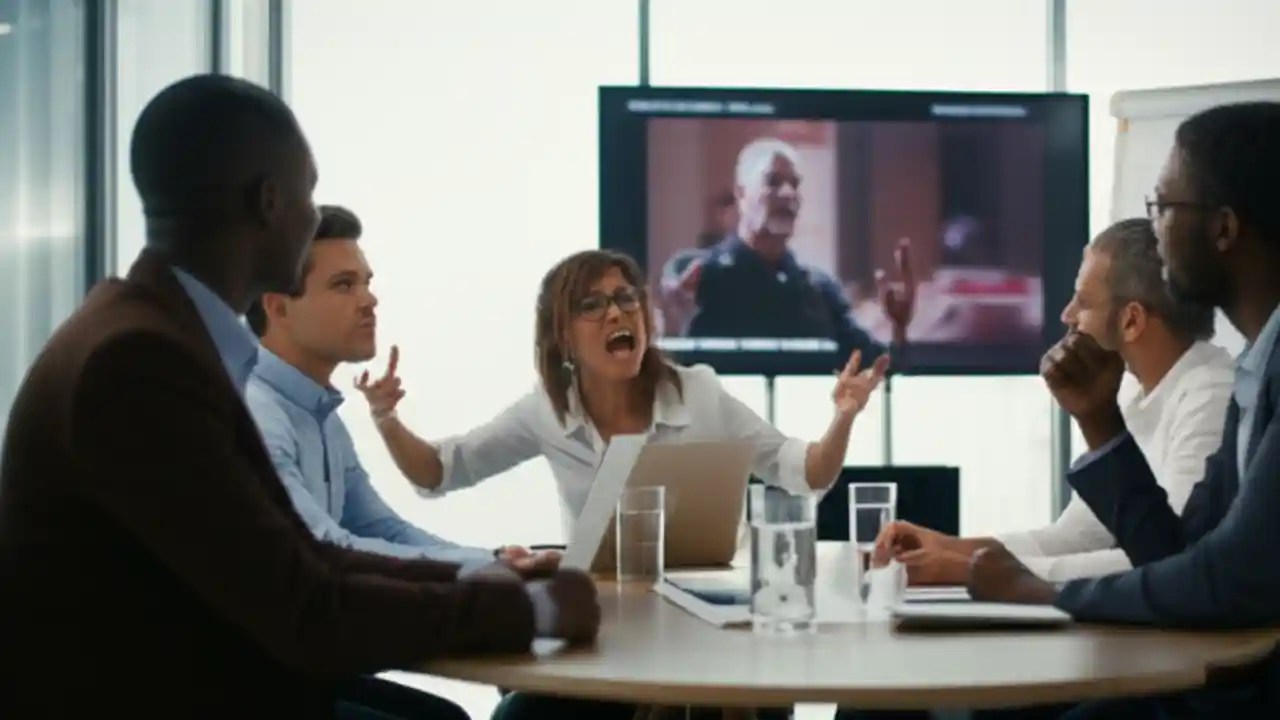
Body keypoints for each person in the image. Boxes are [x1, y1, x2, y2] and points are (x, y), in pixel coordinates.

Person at [0, 74, 598, 717]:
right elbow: (306, 605)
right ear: (269, 202)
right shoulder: (140, 364)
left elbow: (303, 554)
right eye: (308, 194)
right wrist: (528, 607)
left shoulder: (150, 333)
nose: (314, 216)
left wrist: (489, 575)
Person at [358, 248, 890, 719]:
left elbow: (804, 472)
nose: (617, 311)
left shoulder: (697, 391)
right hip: (605, 622)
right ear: (562, 334)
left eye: (626, 298)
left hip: (709, 618)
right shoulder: (546, 411)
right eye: (592, 305)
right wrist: (386, 419)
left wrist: (843, 416)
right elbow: (440, 470)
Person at [968, 101, 1280, 718]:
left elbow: (1234, 575)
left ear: (1223, 229)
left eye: (1164, 207)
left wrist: (1049, 596)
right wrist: (1100, 421)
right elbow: (1179, 556)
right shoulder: (1257, 368)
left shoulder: (1242, 378)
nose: (1154, 228)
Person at [874, 218, 1234, 586]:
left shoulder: (1211, 397)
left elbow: (1165, 559)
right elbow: (1076, 538)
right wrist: (948, 547)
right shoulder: (1131, 391)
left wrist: (971, 572)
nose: (1067, 316)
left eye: (1084, 301)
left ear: (1131, 321)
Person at [244, 203, 559, 576]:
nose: (369, 300)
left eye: (366, 282)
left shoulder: (320, 413)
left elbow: (382, 530)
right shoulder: (256, 411)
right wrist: (482, 570)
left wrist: (493, 561)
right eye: (344, 285)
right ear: (278, 309)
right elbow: (319, 546)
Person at [677, 137, 916, 362]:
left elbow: (874, 371)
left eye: (795, 184)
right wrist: (671, 327)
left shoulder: (820, 291)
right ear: (741, 194)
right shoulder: (698, 277)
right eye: (773, 182)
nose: (788, 193)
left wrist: (899, 329)